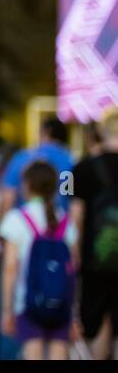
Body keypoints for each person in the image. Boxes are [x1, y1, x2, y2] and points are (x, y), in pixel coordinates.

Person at [0, 160, 78, 359]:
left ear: (27, 185)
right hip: (61, 304)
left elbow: (10, 268)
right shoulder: (65, 221)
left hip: (27, 303)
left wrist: (7, 309)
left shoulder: (16, 219)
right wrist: (75, 312)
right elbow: (73, 268)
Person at [72, 107, 118, 359]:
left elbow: (75, 215)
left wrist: (75, 251)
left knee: (98, 322)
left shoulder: (83, 168)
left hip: (94, 259)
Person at [0, 117, 73, 222]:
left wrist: (2, 226)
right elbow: (75, 203)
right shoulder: (71, 162)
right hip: (60, 226)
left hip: (24, 226)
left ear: (45, 133)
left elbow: (8, 196)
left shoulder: (23, 157)